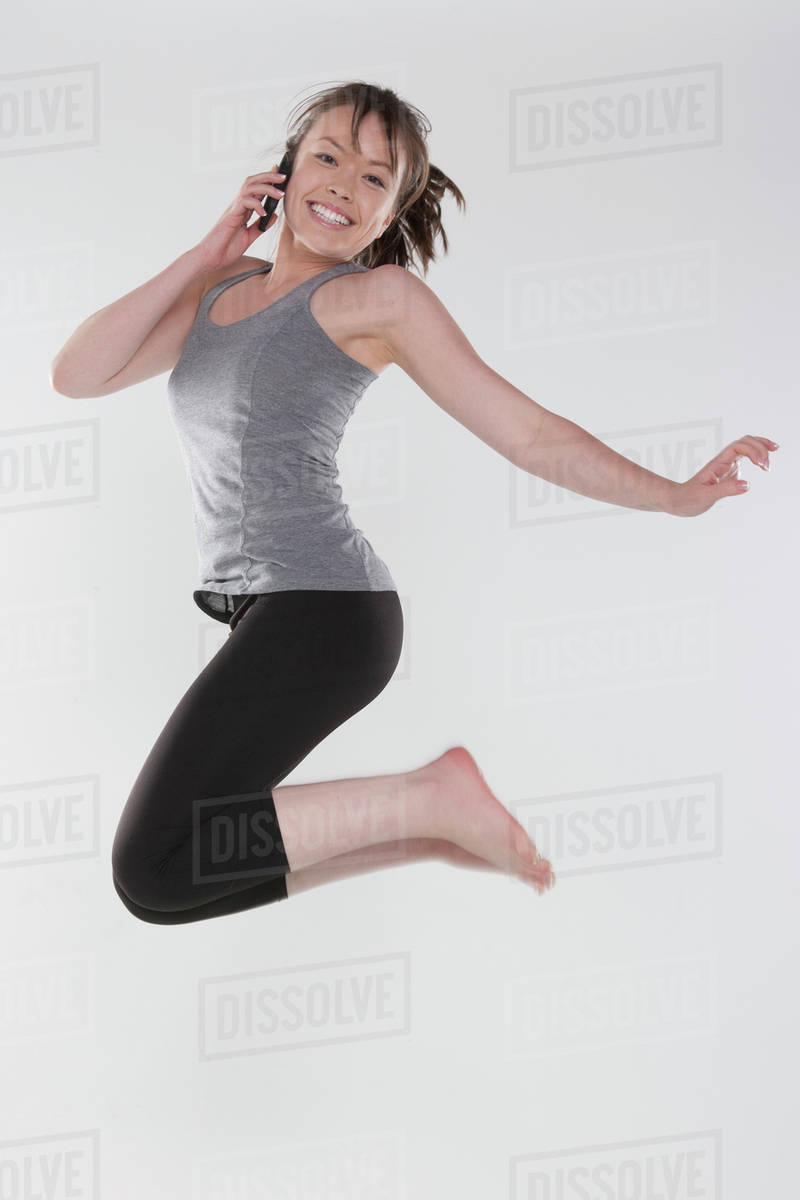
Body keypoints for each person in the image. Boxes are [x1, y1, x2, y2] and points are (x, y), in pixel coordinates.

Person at [49, 82, 778, 925]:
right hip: (272, 611)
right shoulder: (222, 291)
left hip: (324, 611)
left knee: (155, 859)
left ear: (389, 214)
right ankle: (426, 833)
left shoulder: (376, 300)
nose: (342, 186)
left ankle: (430, 799)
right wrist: (210, 247)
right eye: (327, 157)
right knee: (168, 889)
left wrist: (673, 496)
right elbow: (78, 373)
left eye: (373, 179)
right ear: (283, 172)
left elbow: (527, 432)